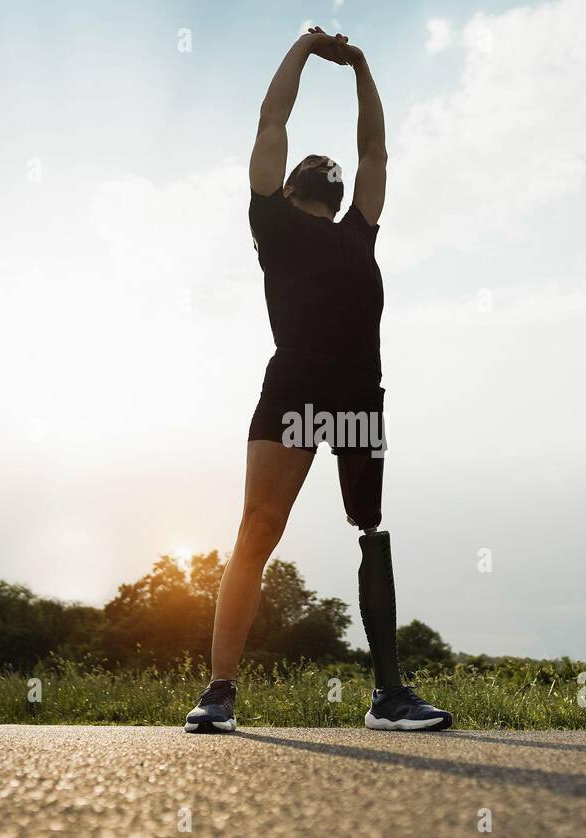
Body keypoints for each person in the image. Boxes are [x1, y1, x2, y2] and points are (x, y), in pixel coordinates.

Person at [184, 27, 453, 734]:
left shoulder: (358, 228)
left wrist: (362, 65)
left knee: (370, 526)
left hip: (360, 391)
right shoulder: (270, 219)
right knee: (259, 528)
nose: (337, 168)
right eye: (322, 166)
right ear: (303, 183)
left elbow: (376, 151)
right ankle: (219, 690)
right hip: (296, 387)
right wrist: (305, 48)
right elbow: (272, 121)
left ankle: (390, 695)